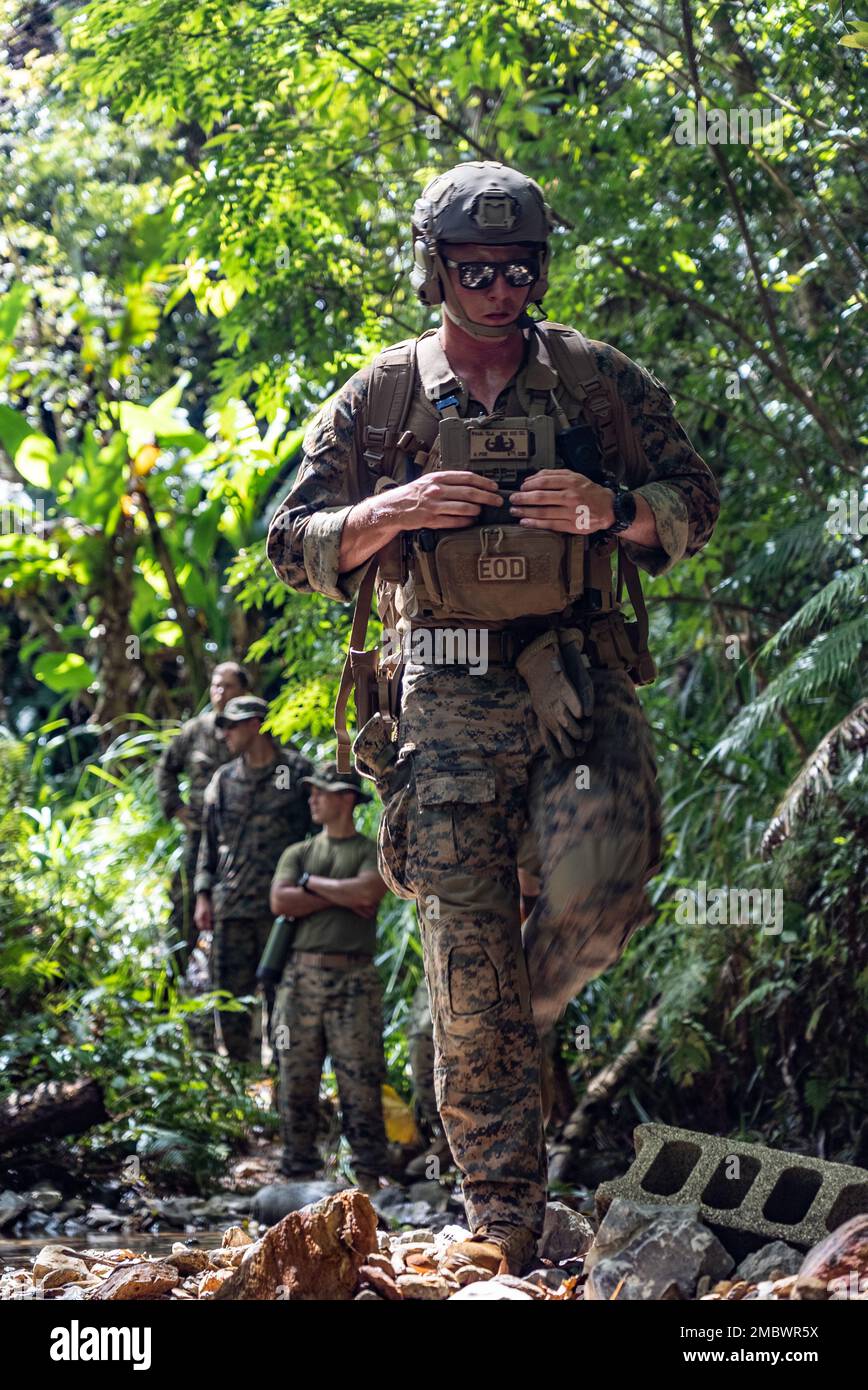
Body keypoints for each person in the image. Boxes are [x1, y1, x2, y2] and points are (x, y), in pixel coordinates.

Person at [266, 161, 720, 1273]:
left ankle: (488, 1023)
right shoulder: (384, 395)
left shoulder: (593, 379)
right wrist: (391, 510)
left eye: (519, 269)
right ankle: (501, 1215)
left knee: (605, 896)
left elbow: (693, 494)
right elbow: (290, 535)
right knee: (468, 956)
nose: (499, 288)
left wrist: (613, 509)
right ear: (433, 269)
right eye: (475, 268)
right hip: (445, 691)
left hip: (577, 668)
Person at [269, 764, 391, 1195]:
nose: (311, 800)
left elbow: (367, 892)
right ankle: (297, 1171)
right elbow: (280, 899)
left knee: (360, 1074)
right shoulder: (298, 854)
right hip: (300, 975)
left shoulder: (367, 850)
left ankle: (370, 1174)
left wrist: (311, 892)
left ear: (343, 798)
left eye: (319, 793)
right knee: (296, 1073)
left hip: (353, 977)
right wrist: (336, 893)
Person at [193, 695, 313, 1061]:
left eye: (232, 725)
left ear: (256, 724)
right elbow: (209, 843)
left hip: (283, 910)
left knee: (285, 1001)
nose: (225, 734)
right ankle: (238, 1086)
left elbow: (322, 835)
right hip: (233, 907)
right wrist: (203, 893)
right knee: (229, 1003)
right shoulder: (224, 780)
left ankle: (283, 1084)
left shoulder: (296, 772)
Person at [154, 662, 249, 973]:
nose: (219, 692)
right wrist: (175, 807)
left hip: (242, 839)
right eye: (215, 685)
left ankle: (231, 983)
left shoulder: (254, 730)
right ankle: (175, 978)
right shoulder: (196, 730)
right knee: (185, 903)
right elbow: (166, 768)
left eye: (228, 686)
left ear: (243, 691)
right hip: (198, 834)